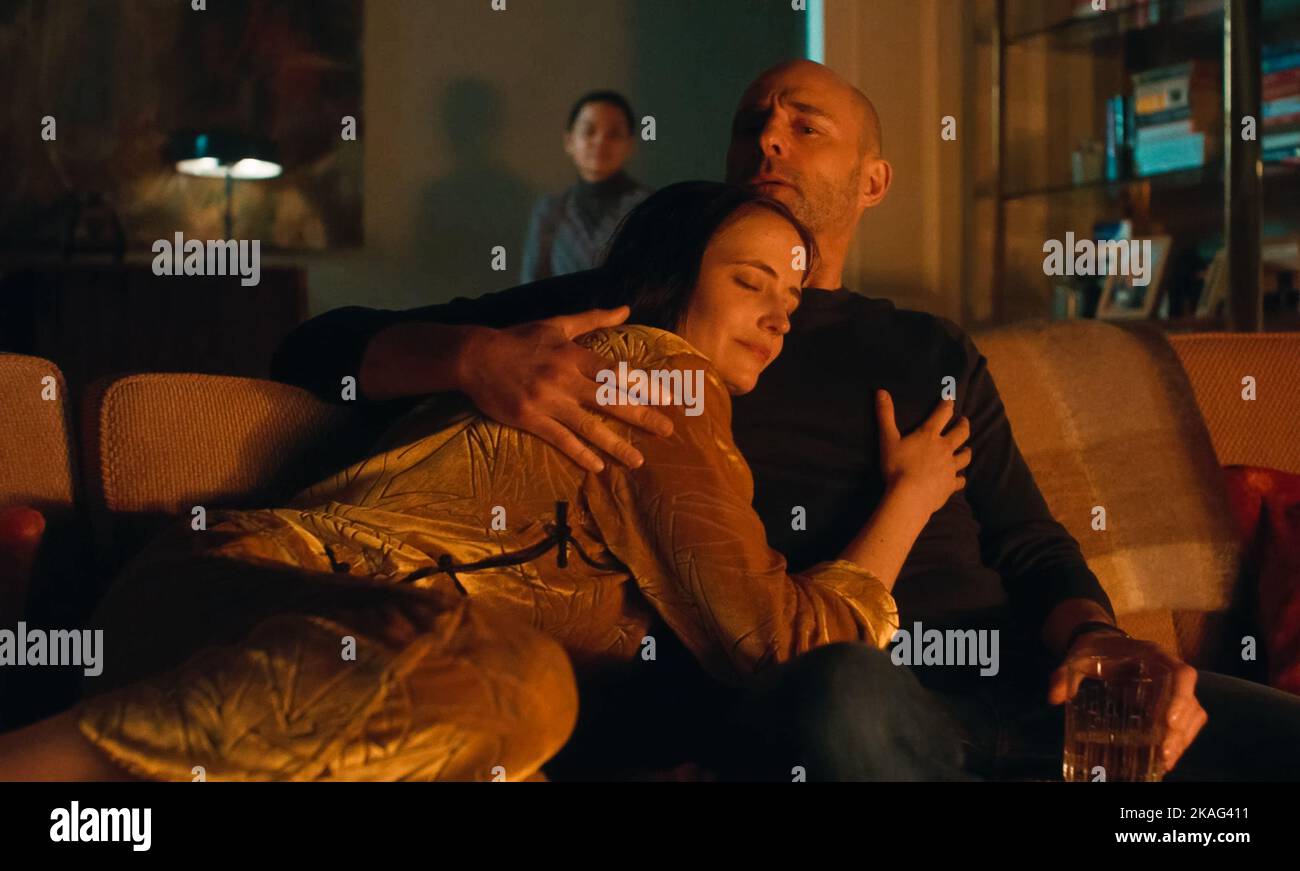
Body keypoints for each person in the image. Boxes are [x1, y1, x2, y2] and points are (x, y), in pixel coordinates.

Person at [268, 59, 1300, 781]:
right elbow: (314, 350)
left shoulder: (926, 347)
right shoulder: (632, 313)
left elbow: (1031, 544)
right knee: (837, 694)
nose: (767, 137)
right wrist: (475, 359)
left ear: (873, 180)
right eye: (752, 124)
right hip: (829, 700)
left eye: (806, 126)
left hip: (1026, 699)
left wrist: (1105, 642)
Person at [0, 182, 972, 782]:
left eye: (791, 296)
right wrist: (910, 498)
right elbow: (782, 644)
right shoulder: (651, 372)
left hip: (339, 700)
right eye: (750, 281)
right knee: (518, 682)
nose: (778, 314)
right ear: (674, 280)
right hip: (237, 600)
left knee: (513, 727)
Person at [520, 90, 652, 282]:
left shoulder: (650, 208)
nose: (600, 141)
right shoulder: (550, 210)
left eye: (614, 134)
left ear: (630, 145)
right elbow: (530, 286)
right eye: (588, 131)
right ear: (569, 141)